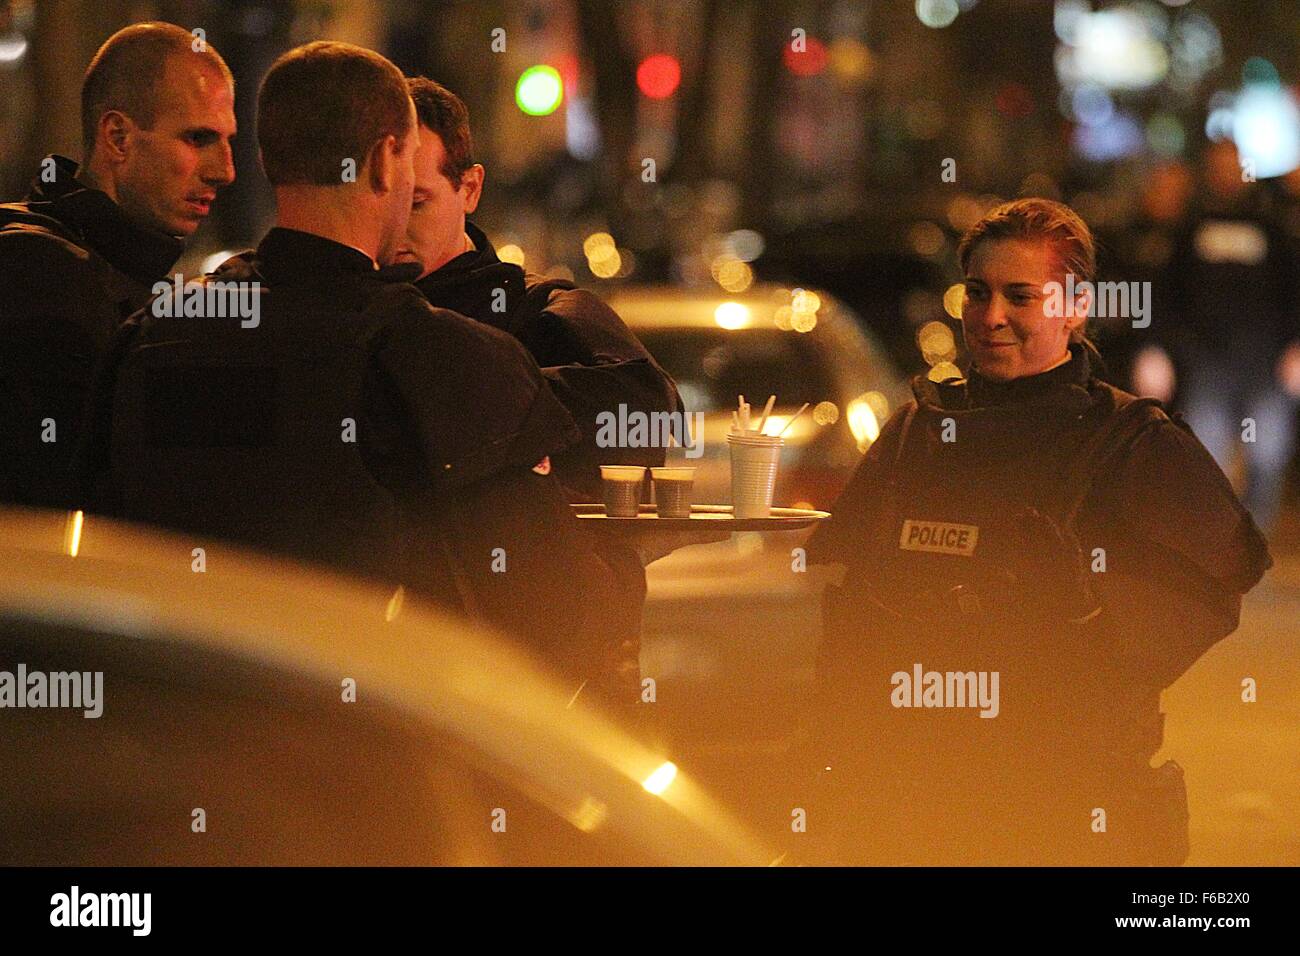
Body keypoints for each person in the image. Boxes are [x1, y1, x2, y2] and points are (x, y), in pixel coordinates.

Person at [87, 41, 642, 706]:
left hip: (186, 753)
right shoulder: (439, 360)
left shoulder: (155, 335)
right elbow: (555, 611)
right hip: (365, 766)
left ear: (268, 158)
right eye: (409, 162)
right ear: (385, 160)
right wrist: (620, 567)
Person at [803, 198, 1272, 865]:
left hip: (1067, 815)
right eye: (977, 293)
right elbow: (848, 623)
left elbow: (1185, 620)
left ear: (1074, 308)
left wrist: (1085, 609)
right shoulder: (915, 436)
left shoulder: (1133, 446)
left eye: (1019, 297)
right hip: (909, 807)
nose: (992, 317)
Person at [393, 75, 686, 710]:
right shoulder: (362, 314)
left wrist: (500, 408)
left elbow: (655, 418)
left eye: (416, 202)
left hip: (546, 683)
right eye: (382, 199)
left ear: (467, 189)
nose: (396, 228)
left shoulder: (542, 312)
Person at [0, 21, 235, 508]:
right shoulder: (45, 277)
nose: (224, 170)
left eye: (228, 140)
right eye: (198, 138)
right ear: (118, 137)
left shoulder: (102, 269)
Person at [1146, 140, 1300, 533]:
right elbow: (1166, 294)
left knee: (1266, 453)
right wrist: (1156, 350)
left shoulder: (1269, 224)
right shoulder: (1191, 226)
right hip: (1205, 363)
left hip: (1265, 364)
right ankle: (1213, 546)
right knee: (1204, 459)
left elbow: (1292, 290)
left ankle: (1252, 542)